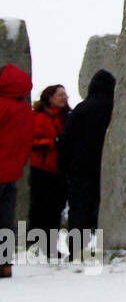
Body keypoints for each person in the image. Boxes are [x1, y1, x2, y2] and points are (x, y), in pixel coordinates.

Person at [62, 69, 116, 262]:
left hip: (81, 165)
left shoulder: (81, 108)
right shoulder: (115, 107)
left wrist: (66, 164)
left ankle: (76, 249)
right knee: (104, 205)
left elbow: (68, 139)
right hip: (107, 165)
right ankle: (104, 245)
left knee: (79, 208)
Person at [0, 64, 35, 279]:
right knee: (5, 221)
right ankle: (4, 264)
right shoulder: (24, 109)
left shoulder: (2, 105)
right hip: (11, 172)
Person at [28, 84, 69, 261]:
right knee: (41, 209)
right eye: (60, 94)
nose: (64, 97)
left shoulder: (66, 117)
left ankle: (50, 247)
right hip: (42, 169)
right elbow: (31, 141)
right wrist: (53, 142)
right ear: (50, 97)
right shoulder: (38, 117)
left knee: (55, 209)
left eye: (65, 94)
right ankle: (37, 246)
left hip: (59, 170)